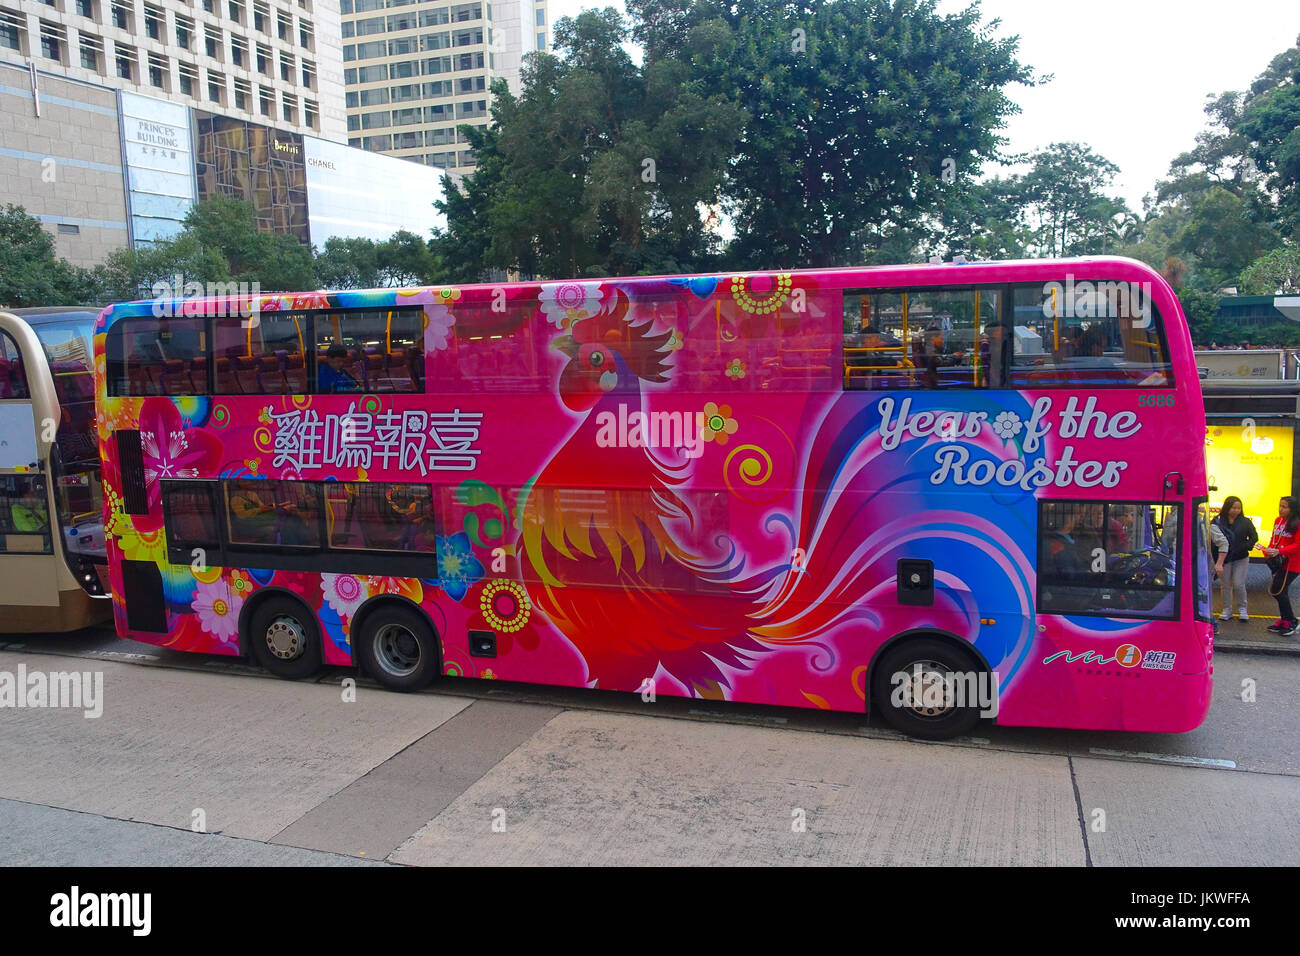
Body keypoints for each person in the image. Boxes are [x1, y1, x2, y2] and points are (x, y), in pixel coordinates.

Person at [1213, 496, 1257, 622]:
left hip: (1241, 557)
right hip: (1225, 558)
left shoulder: (1245, 522)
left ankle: (1242, 609)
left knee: (1239, 583)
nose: (1236, 511)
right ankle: (1227, 609)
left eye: (1238, 508)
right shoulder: (1218, 521)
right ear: (1227, 507)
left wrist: (1246, 546)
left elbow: (1254, 537)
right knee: (1225, 584)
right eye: (1233, 508)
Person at [1261, 495, 1300, 636]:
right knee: (1278, 591)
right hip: (1278, 561)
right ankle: (1285, 619)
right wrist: (1269, 550)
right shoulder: (1278, 521)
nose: (1281, 509)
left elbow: (1298, 544)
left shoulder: (1297, 523)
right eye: (1280, 506)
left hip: (1292, 564)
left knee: (1278, 590)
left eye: (1284, 507)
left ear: (1292, 509)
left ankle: (1291, 621)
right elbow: (1274, 539)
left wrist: (1280, 550)